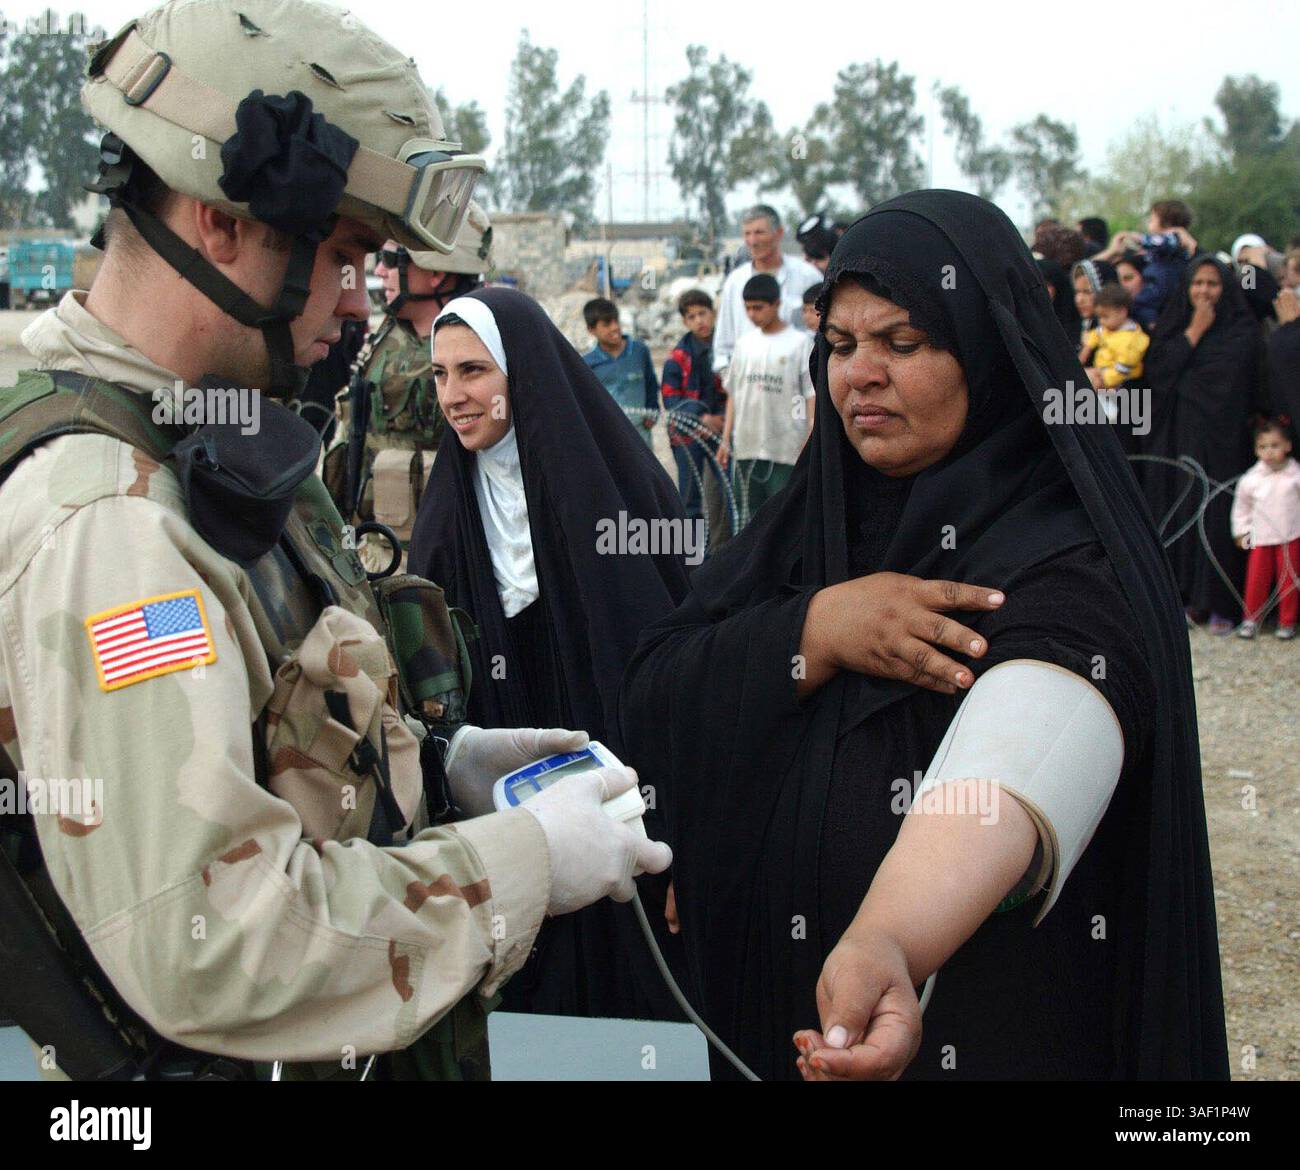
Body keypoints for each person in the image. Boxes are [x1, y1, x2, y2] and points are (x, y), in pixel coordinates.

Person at [0, 0, 669, 1082]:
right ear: (221, 219)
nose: (358, 302)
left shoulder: (196, 440)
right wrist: (521, 865)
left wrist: (435, 770)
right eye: (347, 252)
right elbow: (216, 941)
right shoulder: (111, 527)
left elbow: (246, 740)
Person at [619, 190, 1228, 1082]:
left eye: (903, 344)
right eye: (839, 345)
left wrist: (891, 939)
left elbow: (1030, 742)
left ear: (988, 352)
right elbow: (658, 686)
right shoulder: (802, 530)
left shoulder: (1066, 556)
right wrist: (815, 630)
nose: (860, 373)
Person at [408, 288, 692, 1020]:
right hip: (512, 832)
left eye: (473, 371)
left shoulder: (618, 494)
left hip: (632, 808)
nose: (454, 396)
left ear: (521, 374)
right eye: (439, 376)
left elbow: (681, 663)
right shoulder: (446, 514)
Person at [1144, 255, 1266, 633]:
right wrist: (1193, 333)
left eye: (1212, 284)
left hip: (1222, 441)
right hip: (1178, 438)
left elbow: (1238, 383)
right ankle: (1184, 599)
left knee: (1215, 513)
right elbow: (1157, 374)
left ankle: (1219, 604)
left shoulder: (1242, 330)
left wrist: (1190, 379)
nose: (1204, 292)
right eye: (1197, 284)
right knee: (1180, 509)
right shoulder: (1175, 324)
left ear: (1225, 288)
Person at [719, 273, 816, 526]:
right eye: (748, 308)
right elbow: (734, 394)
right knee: (748, 520)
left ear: (776, 304)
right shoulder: (744, 345)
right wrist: (726, 439)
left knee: (784, 519)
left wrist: (809, 437)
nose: (752, 314)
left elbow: (810, 395)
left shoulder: (799, 344)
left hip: (786, 449)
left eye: (758, 308)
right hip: (747, 447)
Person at [712, 205, 823, 370]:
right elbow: (723, 345)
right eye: (747, 234)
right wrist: (730, 381)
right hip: (748, 380)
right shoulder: (735, 282)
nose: (753, 241)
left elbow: (824, 332)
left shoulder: (807, 276)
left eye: (759, 232)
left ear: (778, 233)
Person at [1231, 417, 1300, 640]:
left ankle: (1287, 621)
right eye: (1263, 447)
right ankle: (1251, 619)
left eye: (1274, 445)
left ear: (1288, 446)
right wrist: (1241, 531)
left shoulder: (1295, 476)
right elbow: (1241, 508)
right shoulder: (1251, 479)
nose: (1269, 452)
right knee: (1256, 580)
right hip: (1260, 538)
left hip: (1290, 536)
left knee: (1289, 581)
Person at [662, 289, 725, 523]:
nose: (699, 321)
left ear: (713, 313)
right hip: (688, 436)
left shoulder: (725, 348)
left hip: (722, 431)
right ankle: (692, 556)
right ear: (684, 321)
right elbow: (671, 402)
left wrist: (721, 419)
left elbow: (734, 389)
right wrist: (702, 418)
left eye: (703, 313)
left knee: (732, 494)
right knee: (690, 501)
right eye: (692, 317)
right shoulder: (677, 358)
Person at [1099, 200, 1195, 329]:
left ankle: (1152, 326)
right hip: (1160, 281)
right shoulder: (1167, 243)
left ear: (1166, 222)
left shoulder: (1173, 237)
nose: (1149, 225)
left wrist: (1135, 237)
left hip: (1162, 282)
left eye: (1152, 220)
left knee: (1142, 303)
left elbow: (1155, 242)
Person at [581, 297, 660, 447]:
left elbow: (651, 384)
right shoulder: (588, 363)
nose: (614, 327)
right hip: (609, 434)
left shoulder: (639, 351)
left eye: (616, 321)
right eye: (606, 324)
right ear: (591, 330)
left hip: (640, 430)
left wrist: (652, 411)